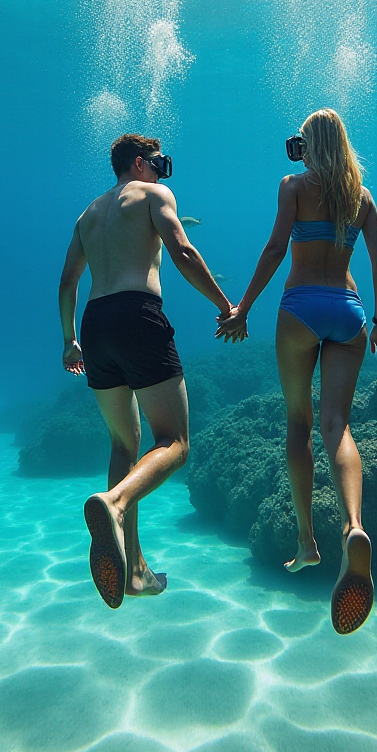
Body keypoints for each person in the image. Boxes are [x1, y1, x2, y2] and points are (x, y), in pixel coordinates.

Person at [217, 108, 377, 634]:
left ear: (308, 146)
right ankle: (354, 527)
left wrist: (242, 308)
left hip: (299, 309)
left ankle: (306, 541)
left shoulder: (292, 185)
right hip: (349, 308)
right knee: (337, 426)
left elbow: (274, 249)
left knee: (298, 424)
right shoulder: (362, 198)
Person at [58, 132, 234, 609]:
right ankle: (113, 505)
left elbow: (67, 281)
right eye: (159, 162)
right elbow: (182, 252)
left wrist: (70, 339)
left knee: (122, 443)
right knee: (174, 442)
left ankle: (133, 567)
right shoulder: (155, 194)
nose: (162, 171)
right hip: (137, 314)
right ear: (138, 164)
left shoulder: (87, 215)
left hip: (94, 324)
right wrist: (226, 306)